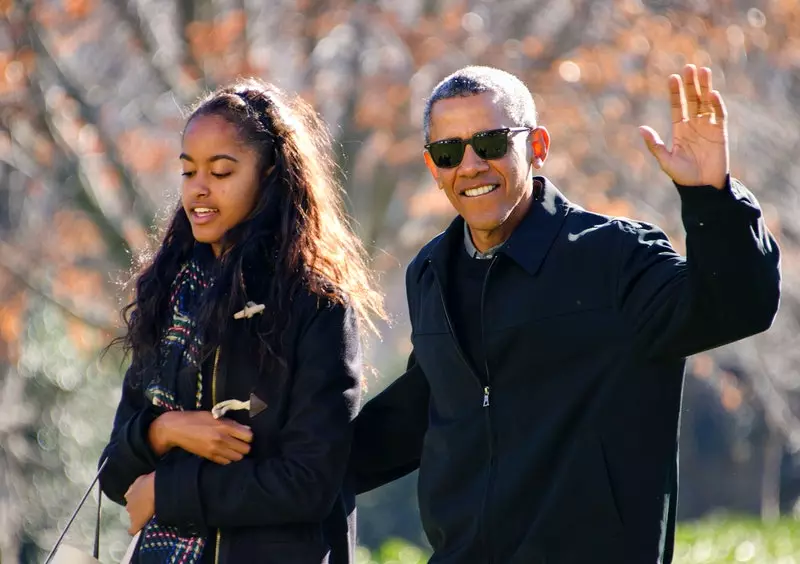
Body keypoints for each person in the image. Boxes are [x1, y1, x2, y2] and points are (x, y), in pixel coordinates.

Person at [350, 65, 781, 563]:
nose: (470, 166)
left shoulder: (614, 257)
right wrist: (279, 462)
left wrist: (713, 198)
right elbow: (422, 410)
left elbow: (737, 307)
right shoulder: (431, 271)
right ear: (433, 168)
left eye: (490, 143)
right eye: (449, 152)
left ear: (537, 146)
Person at [98, 78, 384, 564]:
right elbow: (113, 475)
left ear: (270, 174)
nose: (199, 189)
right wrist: (163, 430)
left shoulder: (315, 305)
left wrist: (170, 492)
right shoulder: (169, 297)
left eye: (221, 171)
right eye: (188, 172)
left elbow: (309, 484)